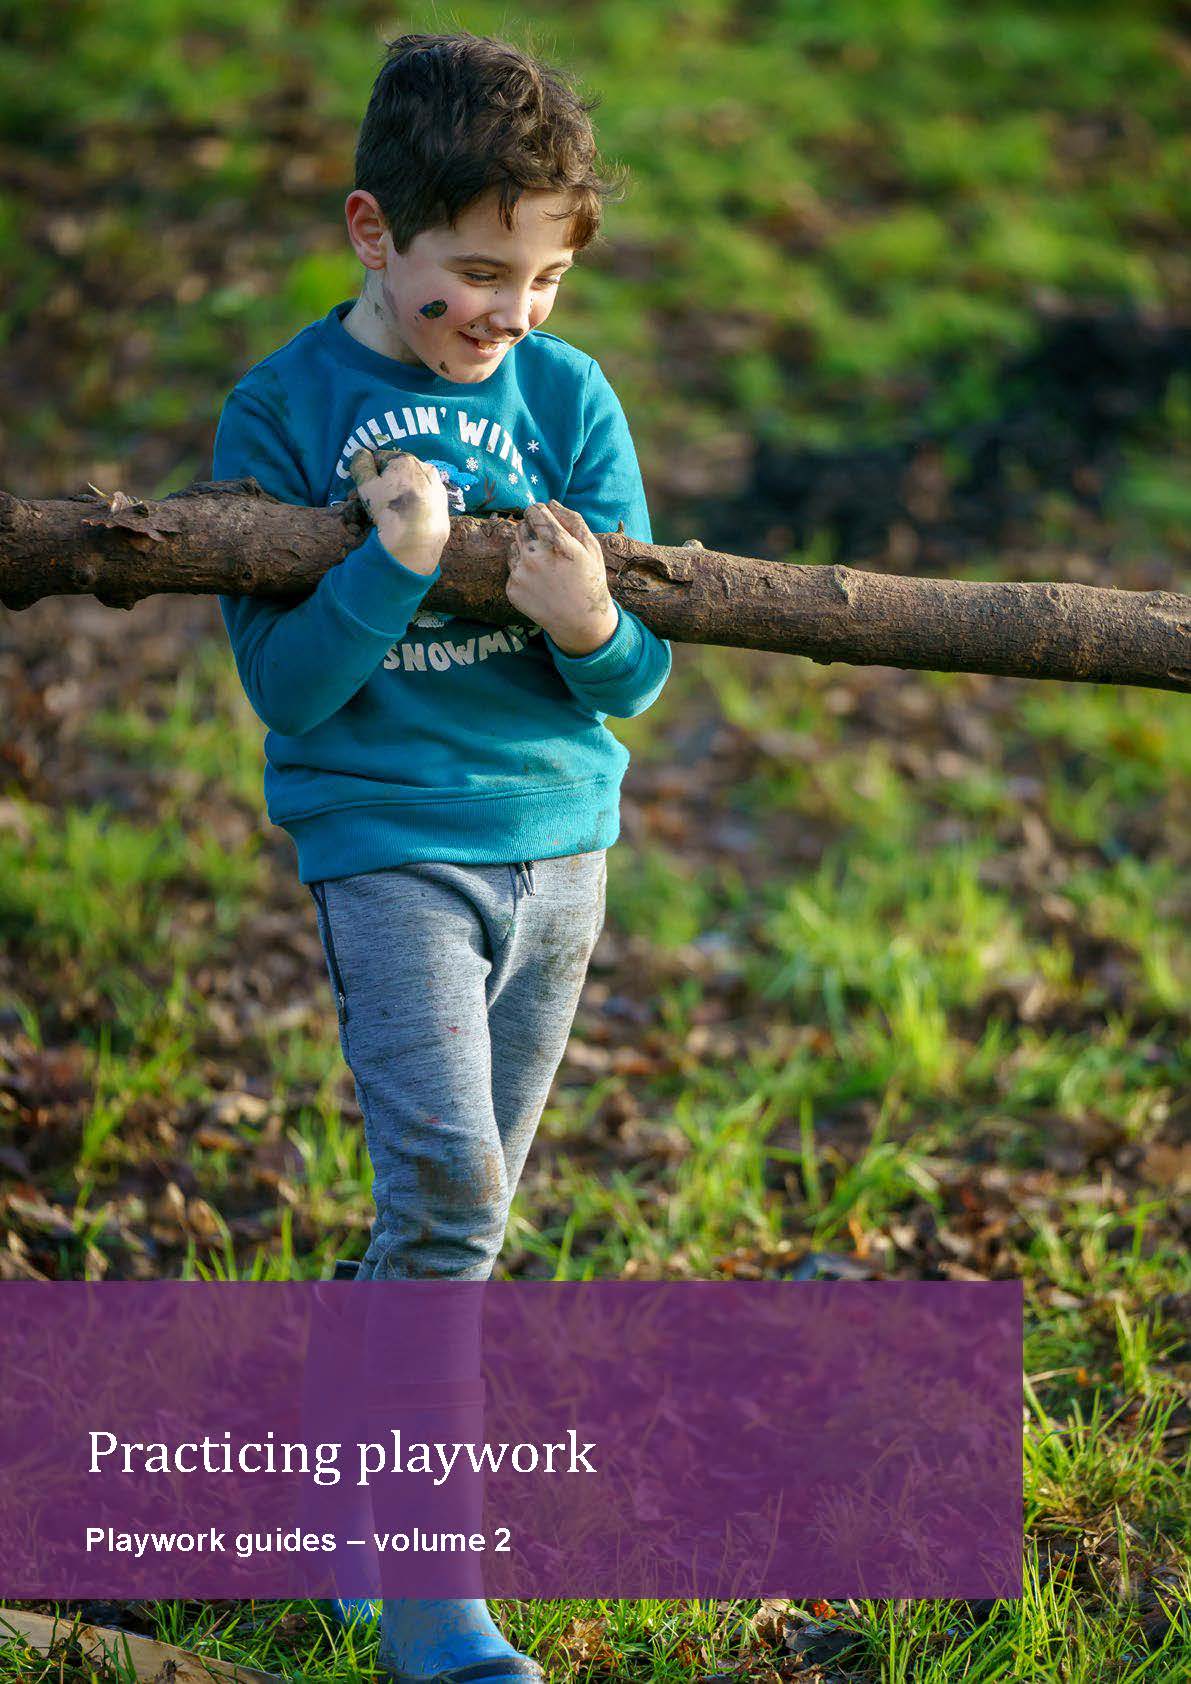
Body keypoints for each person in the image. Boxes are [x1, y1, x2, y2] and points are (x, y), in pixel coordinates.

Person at [210, 28, 672, 1684]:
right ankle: (434, 1604)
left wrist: (592, 620)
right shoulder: (282, 410)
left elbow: (636, 681)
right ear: (371, 231)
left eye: (543, 280)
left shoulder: (570, 398)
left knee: (450, 1219)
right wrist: (388, 566)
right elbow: (286, 687)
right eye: (476, 274)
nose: (510, 314)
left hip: (562, 852)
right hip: (389, 845)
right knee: (456, 1198)